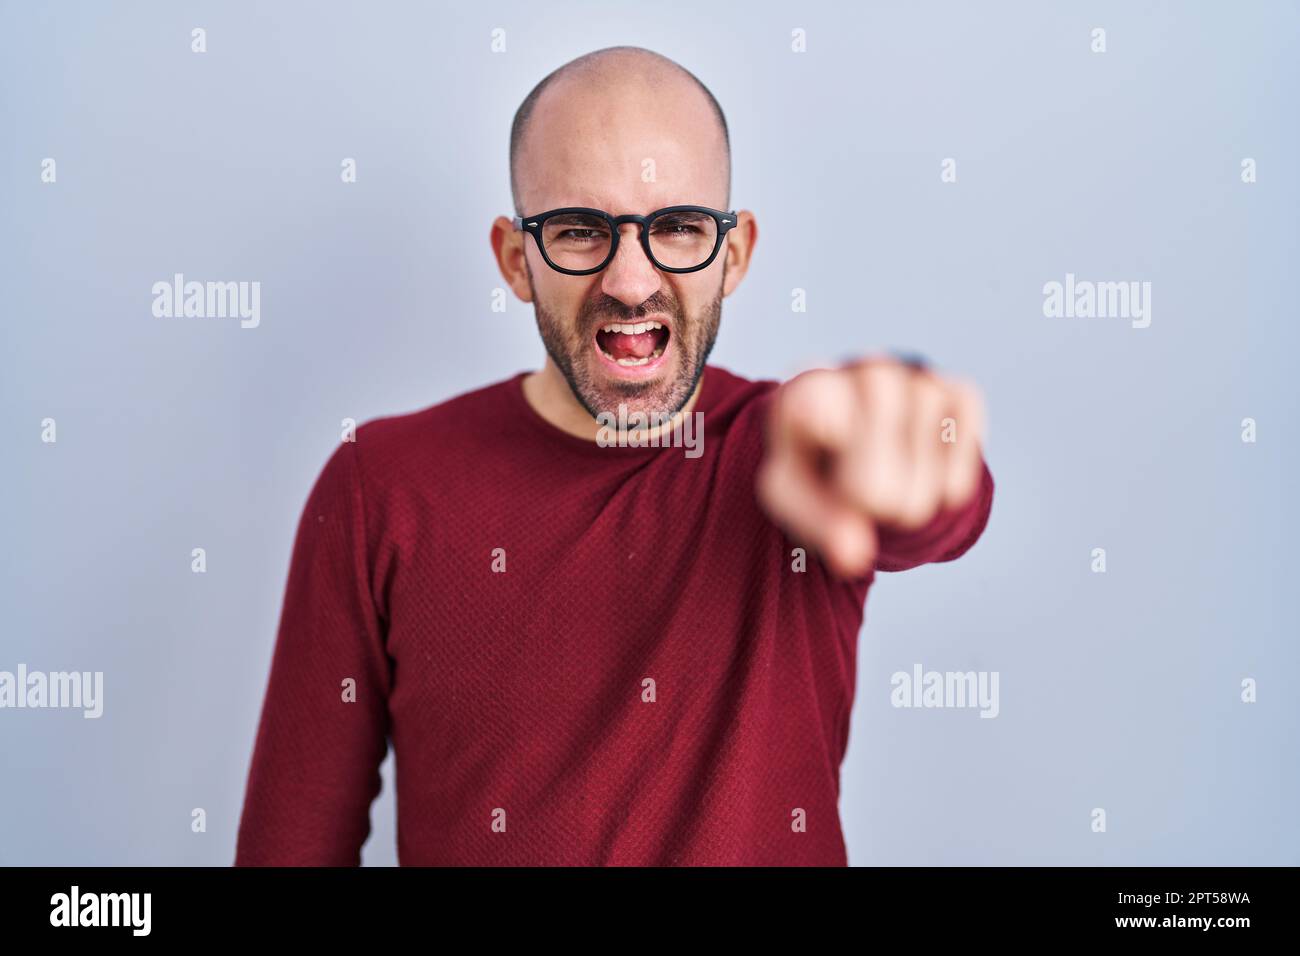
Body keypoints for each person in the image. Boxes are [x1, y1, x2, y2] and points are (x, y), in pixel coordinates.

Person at [235, 45, 994, 866]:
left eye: (675, 227)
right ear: (515, 260)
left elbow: (933, 508)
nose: (631, 281)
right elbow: (292, 844)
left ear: (733, 255)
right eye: (578, 230)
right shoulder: (378, 484)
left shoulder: (792, 458)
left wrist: (913, 453)